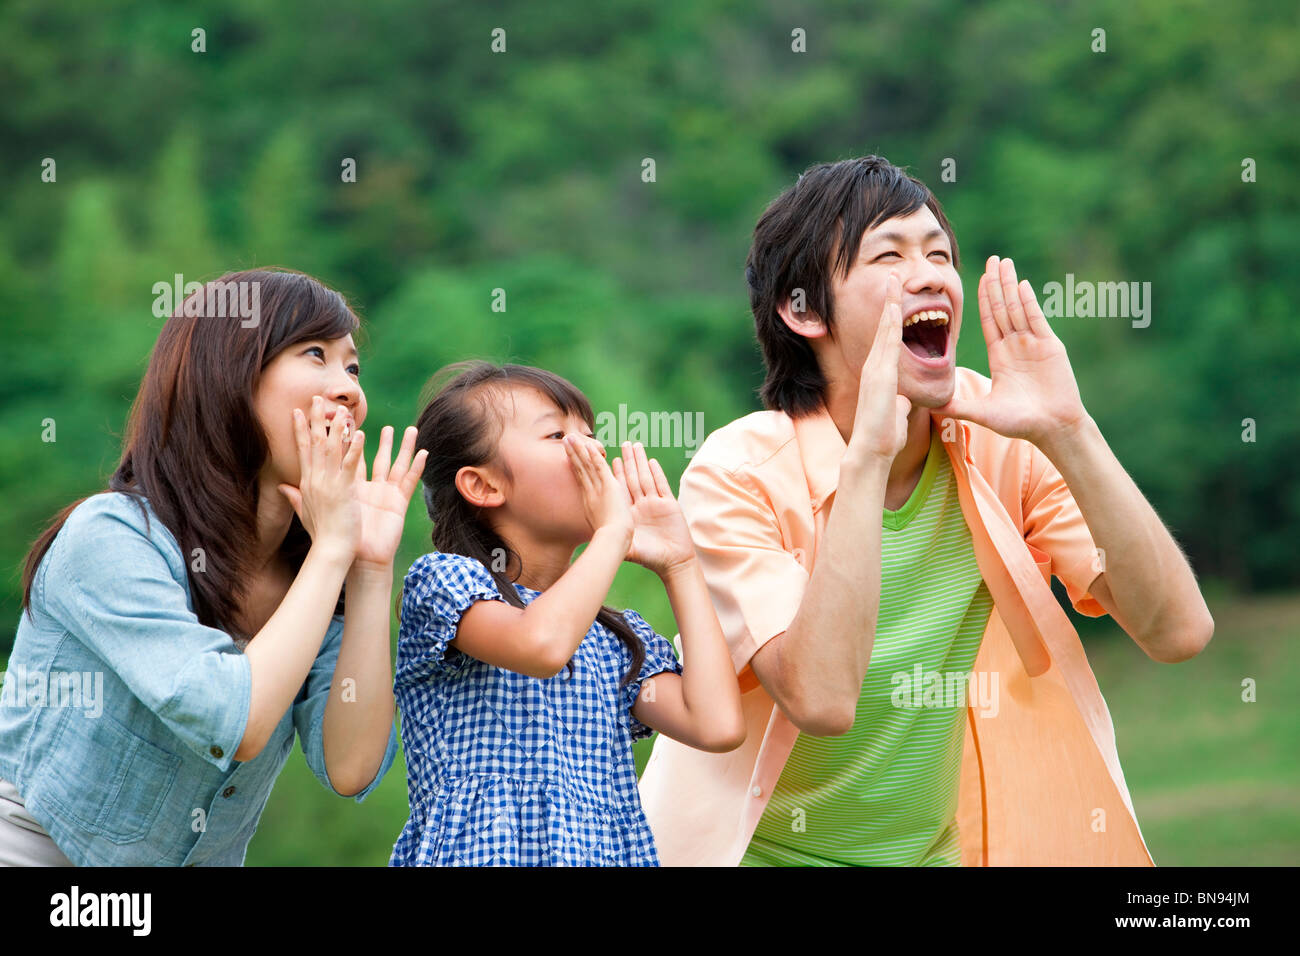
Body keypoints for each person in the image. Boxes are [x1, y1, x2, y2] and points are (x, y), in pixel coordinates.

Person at [638, 156, 1215, 866]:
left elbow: (1177, 630)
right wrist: (868, 458)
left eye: (939, 253)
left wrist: (1069, 429)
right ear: (803, 309)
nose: (930, 273)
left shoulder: (1001, 443)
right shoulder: (737, 474)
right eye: (890, 254)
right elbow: (821, 700)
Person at [0, 269, 427, 866]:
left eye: (352, 367)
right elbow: (236, 721)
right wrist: (333, 551)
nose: (349, 390)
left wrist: (369, 569)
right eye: (315, 355)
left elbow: (351, 767)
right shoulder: (112, 538)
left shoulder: (313, 570)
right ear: (229, 375)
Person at [389, 361, 744, 866]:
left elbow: (716, 724)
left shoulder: (612, 638)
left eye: (591, 435)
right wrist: (612, 534)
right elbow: (540, 646)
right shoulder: (446, 583)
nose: (593, 451)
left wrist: (680, 565)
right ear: (484, 486)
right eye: (558, 435)